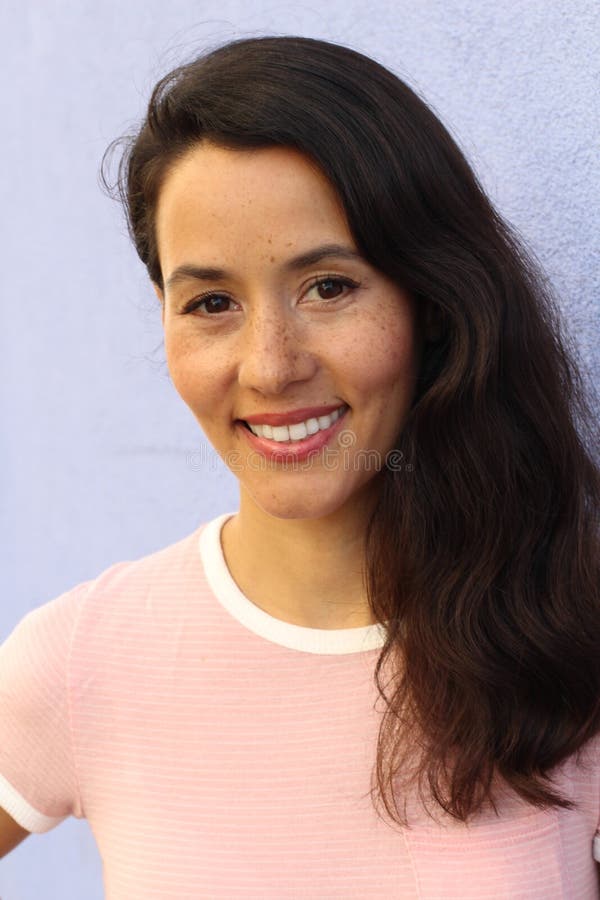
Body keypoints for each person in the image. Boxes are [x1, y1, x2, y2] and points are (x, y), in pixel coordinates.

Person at [1, 35, 598, 898]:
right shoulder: (84, 660)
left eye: (328, 287)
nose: (271, 366)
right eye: (211, 304)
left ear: (432, 303)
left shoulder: (570, 635)